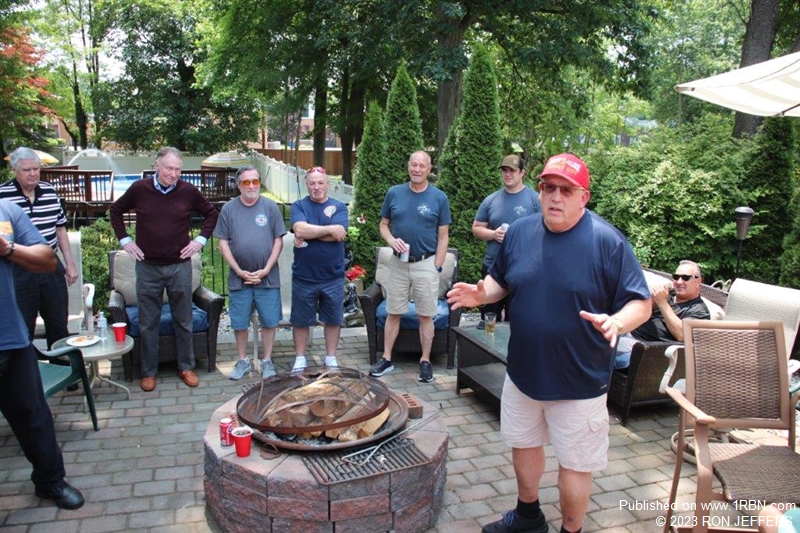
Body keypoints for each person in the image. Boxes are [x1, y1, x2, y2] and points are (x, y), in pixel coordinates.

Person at [447, 153, 651, 533]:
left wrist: (618, 321)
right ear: (539, 191)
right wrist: (482, 294)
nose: (555, 197)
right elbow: (500, 280)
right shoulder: (520, 232)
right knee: (523, 444)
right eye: (548, 187)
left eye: (565, 190)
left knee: (575, 464)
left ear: (583, 197)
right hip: (523, 372)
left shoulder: (607, 241)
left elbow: (641, 302)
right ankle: (528, 517)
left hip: (579, 381)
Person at [109, 147, 219, 392]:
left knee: (184, 318)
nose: (174, 174)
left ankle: (186, 367)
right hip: (148, 267)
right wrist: (125, 241)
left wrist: (199, 241)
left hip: (179, 266)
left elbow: (211, 214)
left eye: (178, 169)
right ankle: (148, 372)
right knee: (148, 322)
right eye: (169, 168)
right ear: (156, 165)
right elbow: (115, 210)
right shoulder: (140, 189)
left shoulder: (188, 191)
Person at [0, 198, 84, 509]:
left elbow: (47, 259)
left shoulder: (7, 211)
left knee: (33, 415)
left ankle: (51, 482)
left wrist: (8, 249)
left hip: (10, 338)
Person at [369, 151, 451, 383]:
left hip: (426, 263)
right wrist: (390, 240)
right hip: (398, 263)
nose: (417, 169)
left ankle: (425, 361)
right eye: (413, 165)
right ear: (408, 167)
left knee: (426, 315)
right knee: (393, 311)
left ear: (429, 169)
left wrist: (437, 266)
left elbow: (443, 236)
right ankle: (386, 358)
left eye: (422, 166)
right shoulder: (394, 193)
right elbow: (383, 225)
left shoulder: (439, 198)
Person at [0, 147, 79, 348]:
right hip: (19, 268)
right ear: (14, 170)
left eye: (36, 169)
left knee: (58, 324)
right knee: (23, 327)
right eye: (26, 170)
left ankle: (63, 366)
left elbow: (60, 229)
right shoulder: (3, 195)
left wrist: (70, 263)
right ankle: (27, 368)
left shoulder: (50, 191)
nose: (33, 173)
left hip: (50, 266)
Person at [214, 166, 285, 380]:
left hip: (268, 278)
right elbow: (222, 243)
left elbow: (278, 241)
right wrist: (238, 270)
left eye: (255, 181)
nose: (252, 186)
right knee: (239, 322)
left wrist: (266, 269)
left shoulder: (270, 207)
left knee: (269, 322)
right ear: (239, 185)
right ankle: (243, 360)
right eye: (246, 182)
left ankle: (267, 360)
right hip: (239, 280)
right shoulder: (228, 209)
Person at [289, 166, 348, 371]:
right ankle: (300, 358)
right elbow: (299, 229)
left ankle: (331, 357)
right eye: (312, 183)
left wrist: (310, 232)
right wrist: (329, 229)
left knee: (333, 319)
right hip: (304, 276)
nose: (317, 187)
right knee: (300, 320)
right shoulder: (299, 206)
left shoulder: (339, 207)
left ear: (327, 184)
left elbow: (339, 235)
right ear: (307, 185)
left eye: (320, 183)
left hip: (333, 276)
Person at [472, 154, 541, 328]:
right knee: (488, 320)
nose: (508, 174)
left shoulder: (535, 199)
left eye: (512, 170)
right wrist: (493, 234)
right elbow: (477, 228)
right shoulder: (491, 200)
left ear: (522, 173)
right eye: (504, 170)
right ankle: (487, 345)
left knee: (518, 320)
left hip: (523, 268)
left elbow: (545, 230)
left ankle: (512, 346)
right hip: (492, 267)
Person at [614, 260, 710, 369]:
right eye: (676, 277)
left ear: (698, 282)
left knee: (601, 349)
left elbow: (682, 335)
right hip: (628, 334)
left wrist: (662, 303)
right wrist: (650, 301)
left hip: (647, 353)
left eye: (685, 278)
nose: (679, 282)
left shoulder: (699, 310)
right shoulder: (669, 294)